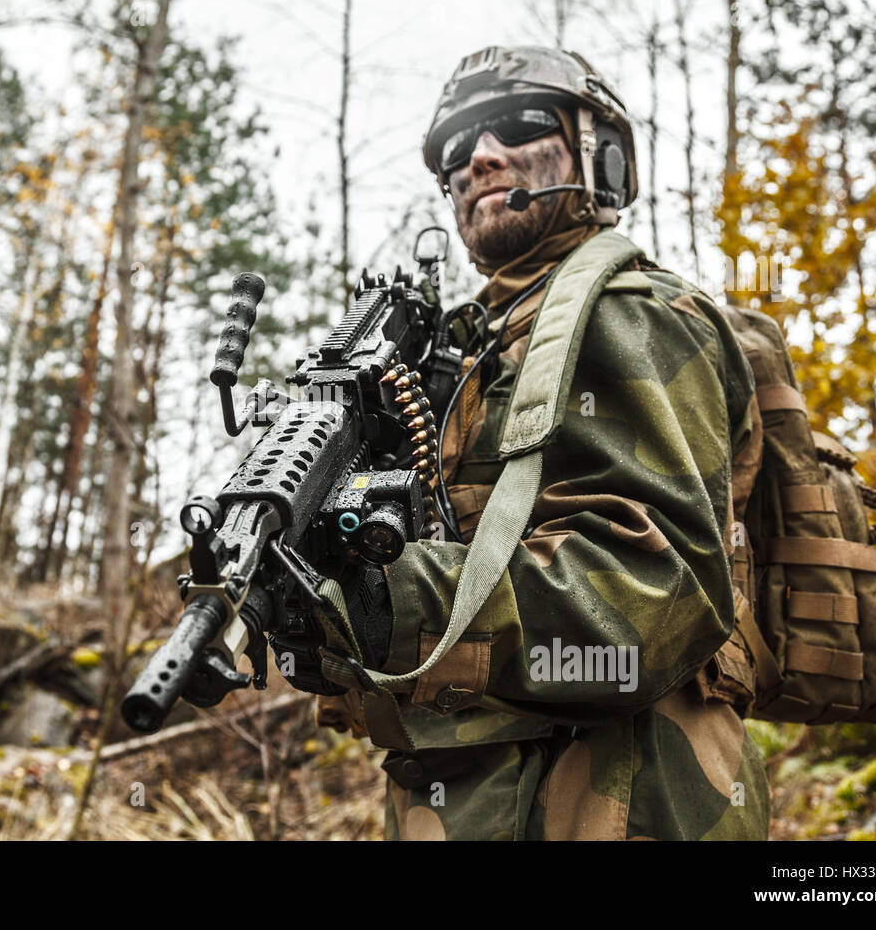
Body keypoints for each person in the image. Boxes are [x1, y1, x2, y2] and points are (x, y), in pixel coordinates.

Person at [315, 46, 770, 841]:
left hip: (621, 801)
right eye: (457, 152)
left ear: (599, 154)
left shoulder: (632, 311)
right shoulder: (464, 355)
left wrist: (391, 598)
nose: (479, 157)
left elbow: (651, 596)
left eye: (516, 126)